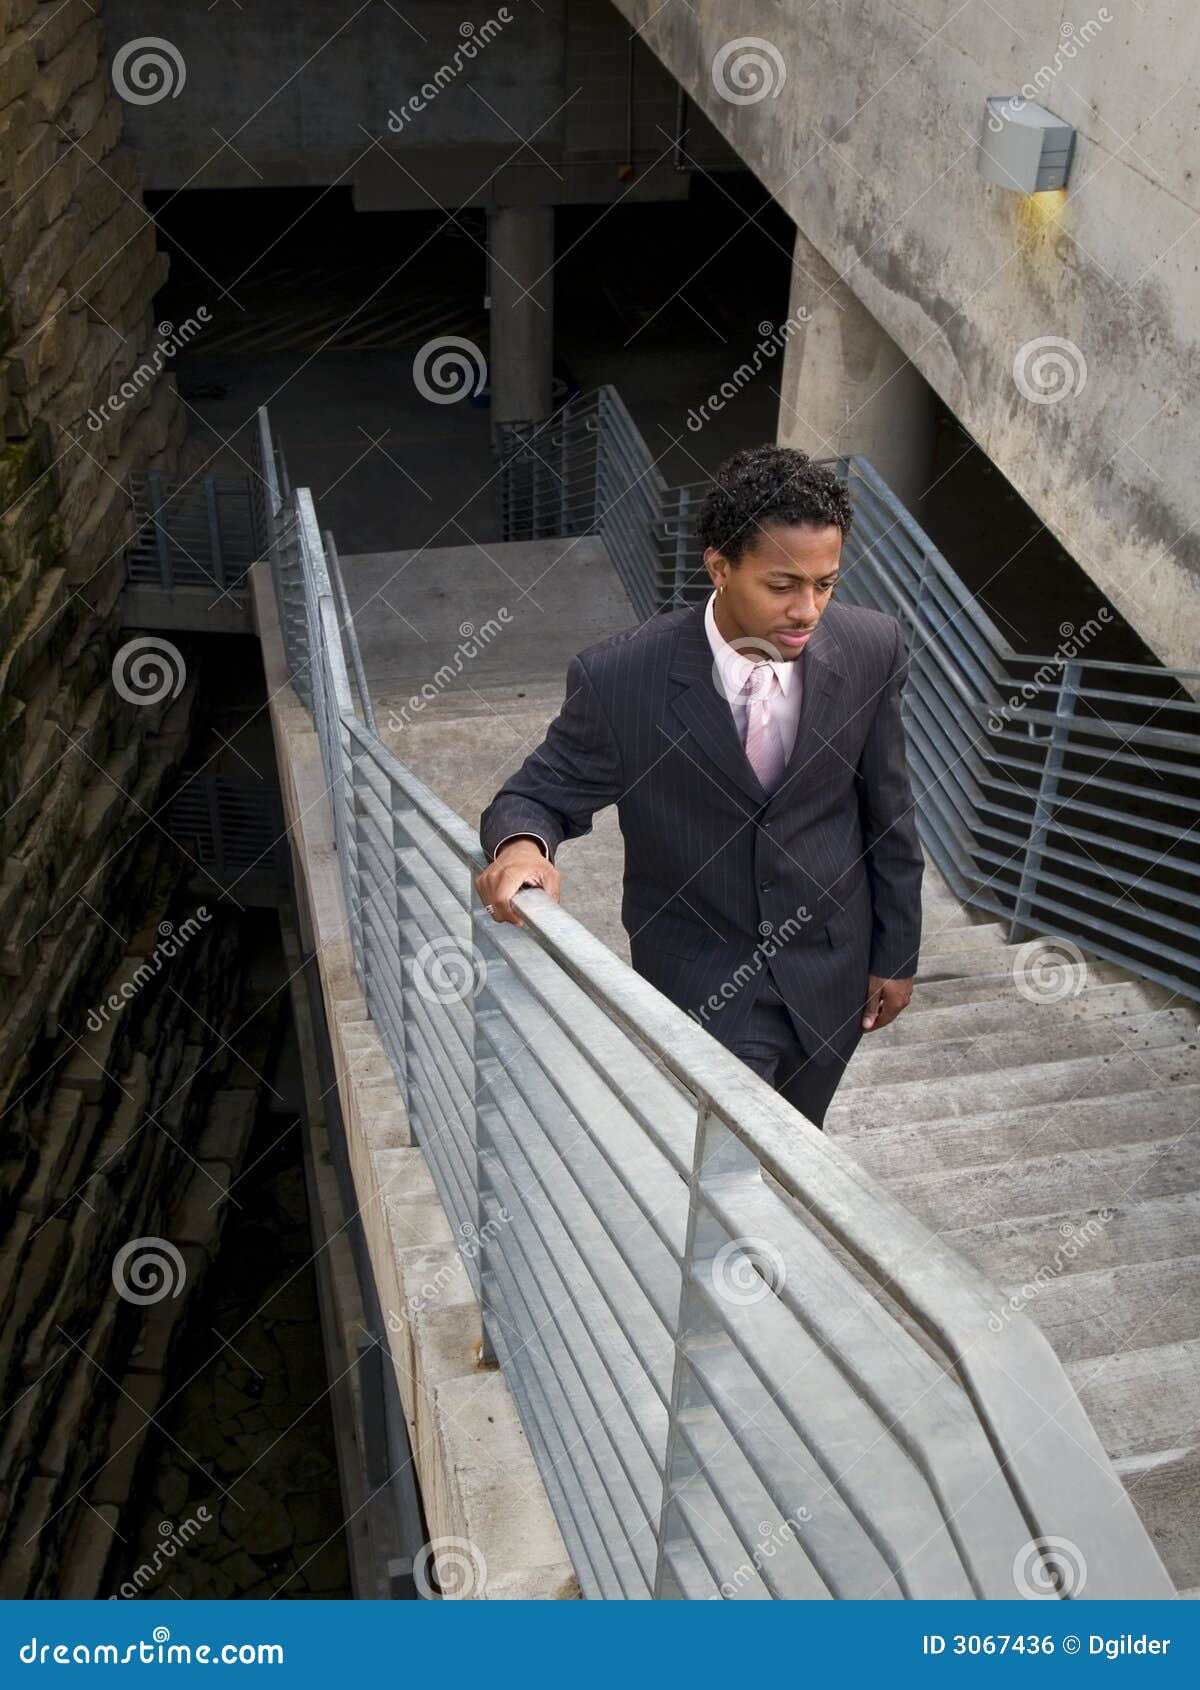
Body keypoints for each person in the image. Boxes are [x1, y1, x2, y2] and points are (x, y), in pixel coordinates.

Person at [475, 443, 924, 1127]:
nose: (808, 609)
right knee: (725, 1165)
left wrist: (896, 954)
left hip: (831, 977)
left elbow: (889, 815)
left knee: (799, 1152)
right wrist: (522, 849)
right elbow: (537, 795)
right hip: (704, 986)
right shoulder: (622, 678)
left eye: (826, 584)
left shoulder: (873, 648)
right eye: (783, 586)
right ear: (719, 565)